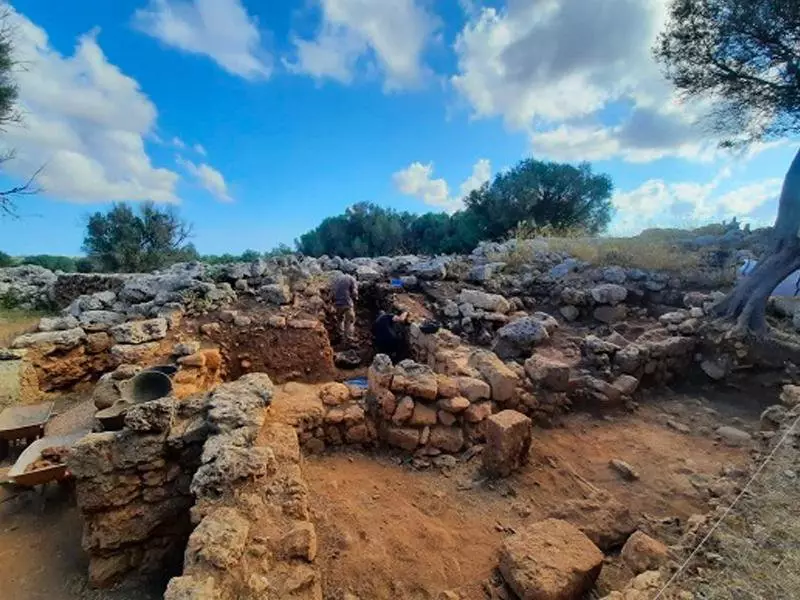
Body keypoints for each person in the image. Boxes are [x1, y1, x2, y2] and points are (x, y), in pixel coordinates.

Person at [332, 273, 358, 341]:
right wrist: (355, 298)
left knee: (340, 320)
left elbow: (332, 291)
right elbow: (355, 292)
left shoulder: (336, 279)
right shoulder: (352, 279)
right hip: (347, 303)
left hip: (337, 304)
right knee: (350, 320)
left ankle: (340, 334)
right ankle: (348, 338)